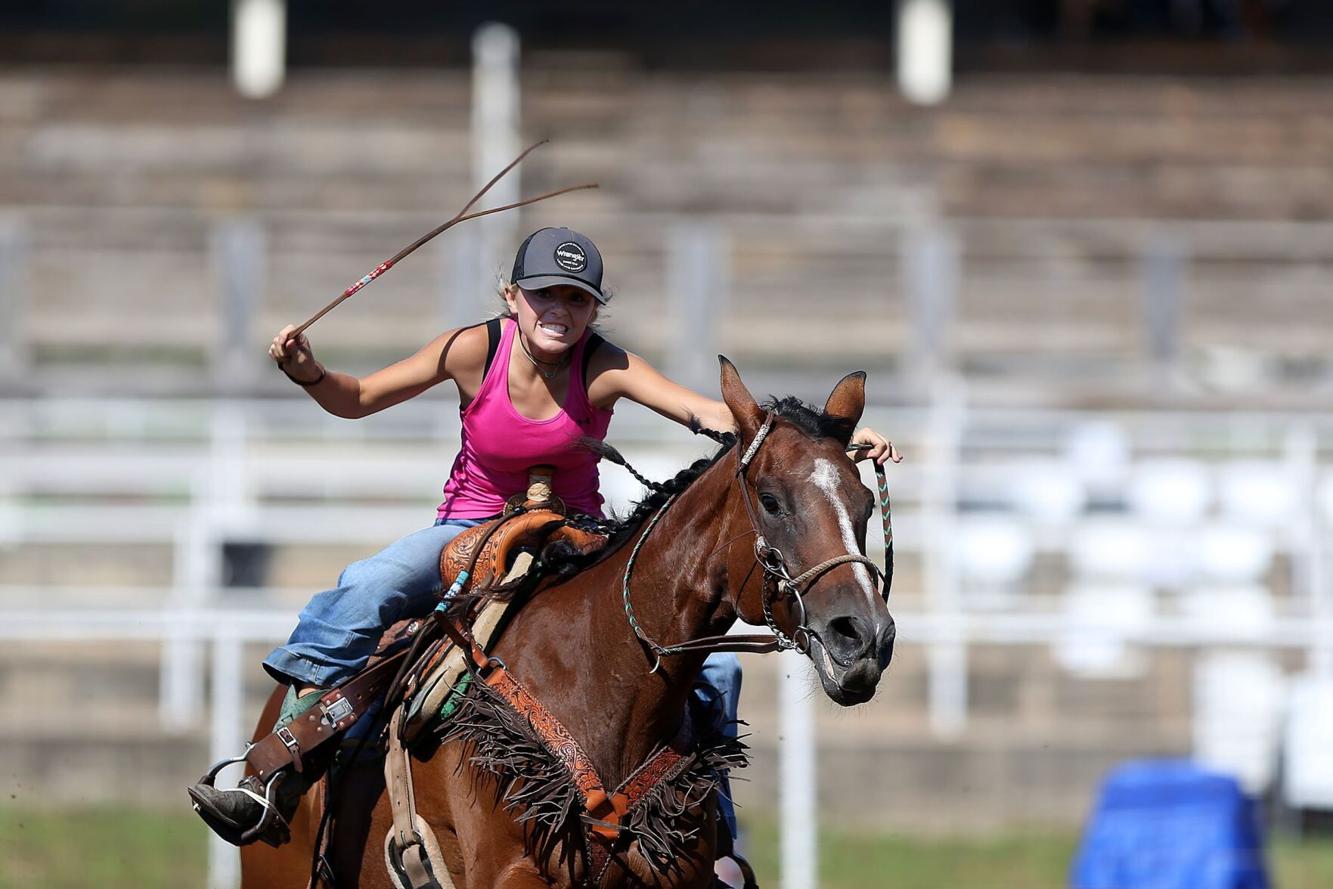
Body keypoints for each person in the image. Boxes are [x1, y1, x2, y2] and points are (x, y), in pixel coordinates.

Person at [188, 226, 900, 857]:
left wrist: (827, 445)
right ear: (512, 297)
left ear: (593, 309)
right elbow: (358, 399)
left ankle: (718, 839)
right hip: (467, 528)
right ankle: (271, 770)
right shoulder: (473, 349)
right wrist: (310, 372)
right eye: (544, 295)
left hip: (579, 536)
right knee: (368, 586)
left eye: (577, 299)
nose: (560, 310)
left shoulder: (605, 363)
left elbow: (710, 414)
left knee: (715, 668)